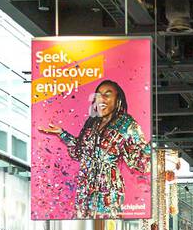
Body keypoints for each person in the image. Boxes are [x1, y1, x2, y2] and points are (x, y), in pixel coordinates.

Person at [37, 79, 150, 218]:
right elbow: (80, 152)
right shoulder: (92, 123)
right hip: (85, 190)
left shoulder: (127, 125)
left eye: (107, 95)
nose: (101, 99)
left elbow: (139, 162)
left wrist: (151, 148)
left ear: (118, 100)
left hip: (107, 193)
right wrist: (62, 134)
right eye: (98, 95)